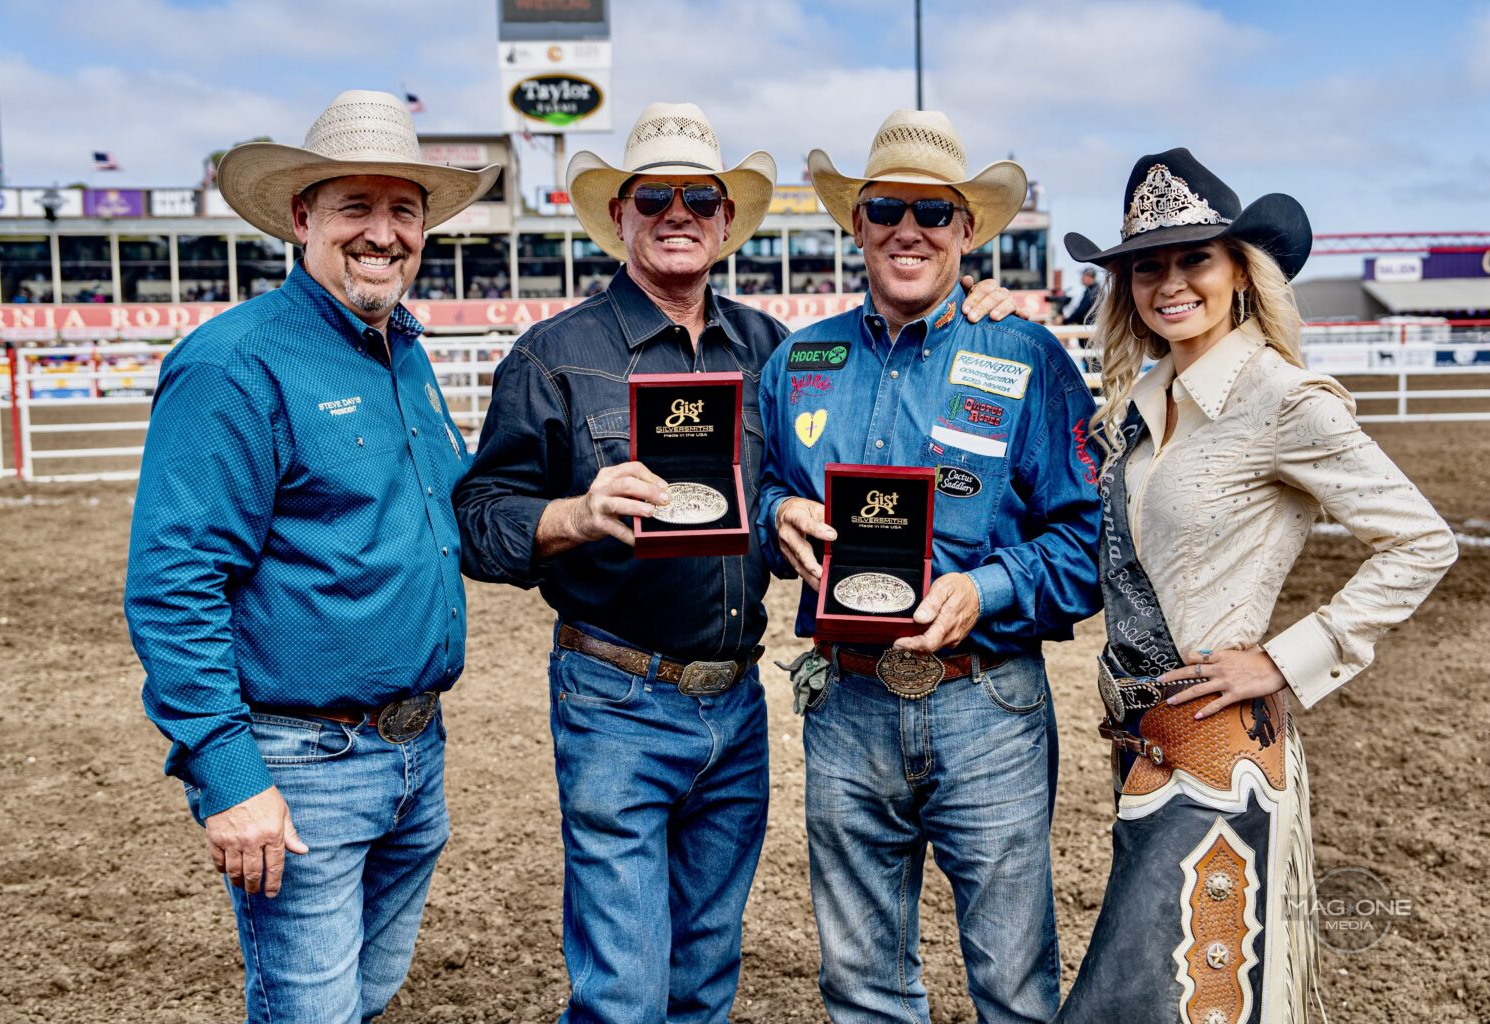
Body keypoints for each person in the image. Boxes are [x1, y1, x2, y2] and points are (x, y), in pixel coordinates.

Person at [454, 102, 1018, 1024]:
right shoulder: (552, 357)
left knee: (707, 973)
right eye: (656, 197)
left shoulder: (775, 352)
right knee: (625, 987)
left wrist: (977, 312)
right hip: (615, 695)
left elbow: (804, 483)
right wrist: (577, 513)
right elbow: (480, 523)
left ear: (724, 219)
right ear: (622, 216)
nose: (678, 212)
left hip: (737, 697)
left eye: (699, 197)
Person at [1057, 149, 1458, 1024]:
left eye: (1194, 257)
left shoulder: (1282, 397)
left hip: (1219, 750)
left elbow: (1421, 542)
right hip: (1143, 747)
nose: (1171, 282)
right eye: (1146, 265)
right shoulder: (1139, 401)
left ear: (1241, 269)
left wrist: (1283, 658)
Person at [124, 90, 498, 1023]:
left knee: (362, 995)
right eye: (354, 208)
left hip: (413, 750)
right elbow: (174, 582)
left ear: (425, 227)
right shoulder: (234, 364)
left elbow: (442, 514)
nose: (383, 233)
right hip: (302, 760)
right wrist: (230, 771)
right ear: (303, 218)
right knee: (313, 1009)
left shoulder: (400, 350)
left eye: (402, 209)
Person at [757, 109, 1103, 1024]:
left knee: (1015, 984)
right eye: (885, 209)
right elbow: (737, 493)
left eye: (933, 212)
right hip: (846, 702)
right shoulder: (798, 361)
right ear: (856, 222)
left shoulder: (1026, 356)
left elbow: (1088, 544)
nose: (907, 228)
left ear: (968, 230)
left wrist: (983, 588)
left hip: (986, 700)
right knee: (863, 986)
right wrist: (771, 513)